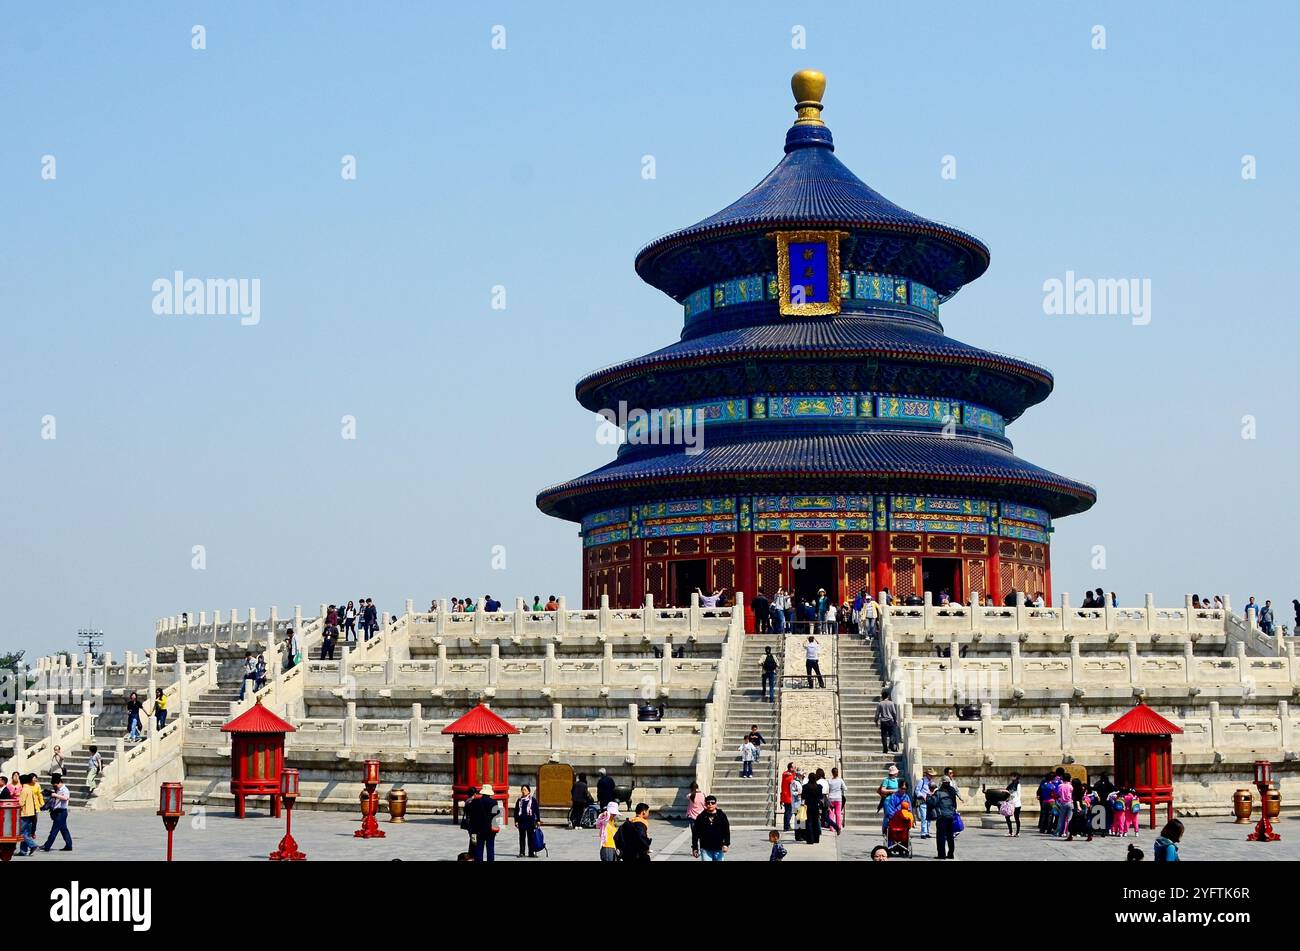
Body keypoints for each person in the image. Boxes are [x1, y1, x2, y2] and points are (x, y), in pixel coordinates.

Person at [464, 784, 501, 862]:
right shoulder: (493, 802)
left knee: (479, 848)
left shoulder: (476, 801)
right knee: (490, 848)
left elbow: (467, 810)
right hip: (490, 828)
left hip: (478, 829)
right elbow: (497, 813)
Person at [691, 795, 730, 860]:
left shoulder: (721, 816)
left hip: (719, 848)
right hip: (705, 849)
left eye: (712, 803)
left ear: (716, 804)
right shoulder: (701, 817)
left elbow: (726, 831)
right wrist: (695, 848)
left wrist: (726, 844)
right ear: (705, 804)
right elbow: (695, 834)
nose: (710, 804)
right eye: (708, 803)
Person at [40, 773, 72, 852]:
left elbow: (66, 798)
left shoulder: (65, 789)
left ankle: (47, 846)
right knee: (64, 830)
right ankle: (69, 845)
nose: (55, 786)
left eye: (55, 784)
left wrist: (56, 795)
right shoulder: (57, 789)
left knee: (54, 830)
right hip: (57, 812)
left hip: (62, 812)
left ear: (59, 783)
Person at [932, 775, 959, 859]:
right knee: (950, 836)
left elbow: (934, 803)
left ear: (942, 782)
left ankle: (941, 855)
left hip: (942, 816)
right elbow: (954, 803)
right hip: (950, 815)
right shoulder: (952, 790)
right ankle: (951, 854)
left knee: (941, 835)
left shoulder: (939, 791)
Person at [17, 773, 43, 855]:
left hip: (25, 813)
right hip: (31, 813)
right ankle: (23, 851)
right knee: (26, 832)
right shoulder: (29, 789)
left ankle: (32, 845)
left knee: (20, 831)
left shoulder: (24, 790)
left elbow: (21, 803)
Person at [514, 784, 540, 858]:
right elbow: (516, 811)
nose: (523, 791)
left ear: (529, 791)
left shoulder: (533, 800)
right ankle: (522, 852)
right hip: (521, 821)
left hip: (530, 821)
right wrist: (516, 821)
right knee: (522, 837)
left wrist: (538, 820)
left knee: (531, 837)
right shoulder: (519, 801)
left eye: (525, 790)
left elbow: (536, 811)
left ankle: (531, 852)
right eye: (522, 790)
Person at [874, 688, 899, 754]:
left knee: (884, 736)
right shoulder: (891, 703)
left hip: (883, 722)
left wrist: (876, 721)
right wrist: (895, 719)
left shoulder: (880, 704)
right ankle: (891, 743)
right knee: (892, 734)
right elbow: (894, 712)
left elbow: (877, 714)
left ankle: (885, 749)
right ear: (888, 696)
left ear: (882, 697)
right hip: (890, 721)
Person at [801, 773, 823, 844]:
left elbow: (803, 797)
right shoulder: (819, 787)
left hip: (808, 806)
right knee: (816, 822)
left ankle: (810, 839)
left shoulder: (805, 787)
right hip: (816, 806)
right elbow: (820, 797)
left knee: (809, 823)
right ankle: (816, 838)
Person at [914, 768, 934, 838]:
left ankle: (927, 832)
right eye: (930, 775)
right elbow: (917, 791)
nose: (931, 776)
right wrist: (922, 796)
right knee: (924, 817)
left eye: (932, 775)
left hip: (929, 801)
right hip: (923, 801)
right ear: (927, 774)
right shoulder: (922, 781)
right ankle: (923, 833)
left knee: (929, 818)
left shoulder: (931, 781)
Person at [827, 766, 846, 833]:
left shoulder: (829, 781)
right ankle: (839, 826)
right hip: (838, 798)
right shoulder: (840, 780)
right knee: (838, 813)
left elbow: (827, 789)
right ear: (837, 773)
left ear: (832, 773)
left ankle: (832, 827)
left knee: (831, 813)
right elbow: (845, 788)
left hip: (831, 798)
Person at [780, 763, 797, 831]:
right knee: (788, 812)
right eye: (794, 767)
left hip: (785, 795)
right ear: (791, 768)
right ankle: (786, 827)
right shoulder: (790, 777)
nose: (795, 768)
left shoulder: (786, 775)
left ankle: (787, 826)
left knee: (787, 811)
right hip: (789, 796)